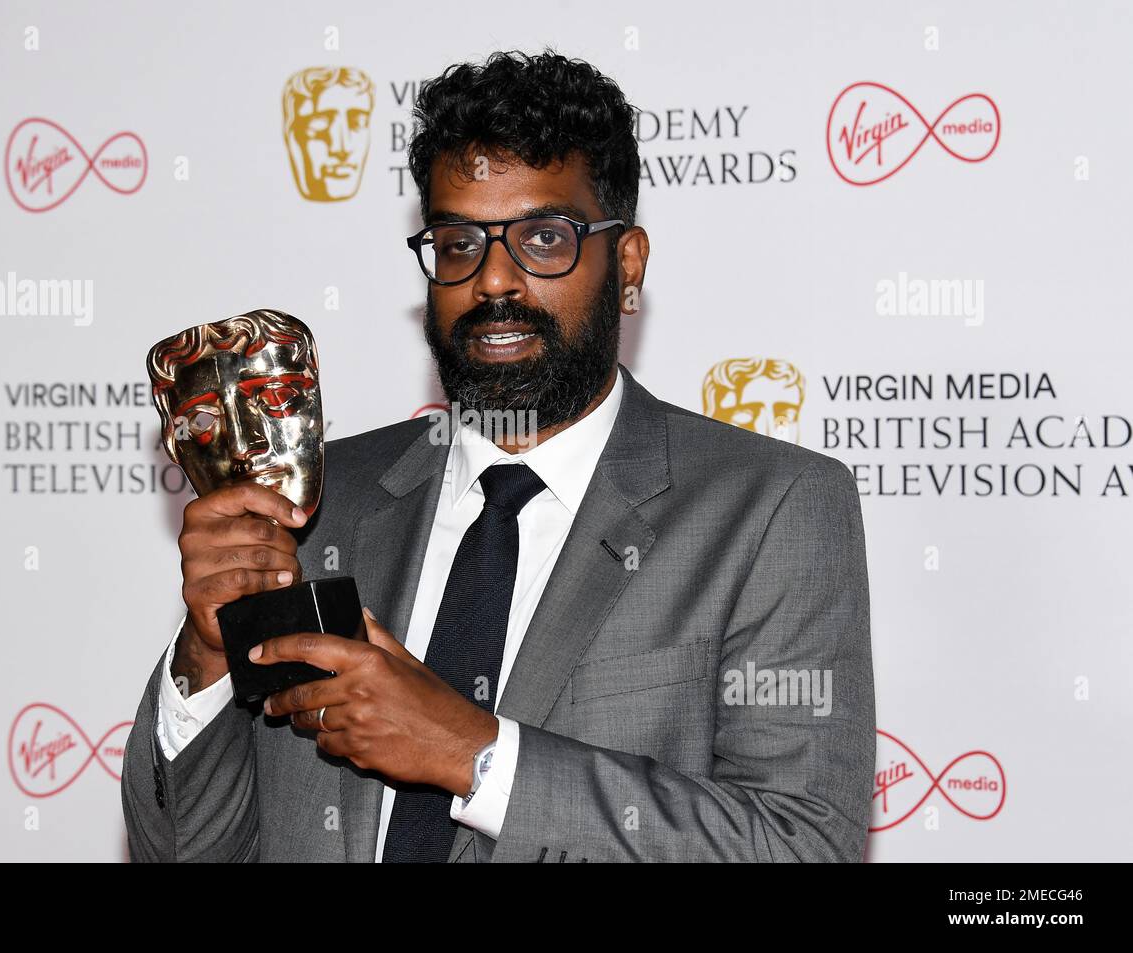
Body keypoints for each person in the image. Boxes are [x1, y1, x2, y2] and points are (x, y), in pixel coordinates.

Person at [122, 48, 875, 862]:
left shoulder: (770, 509)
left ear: (627, 264)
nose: (493, 281)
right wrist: (205, 655)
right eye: (457, 242)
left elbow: (802, 845)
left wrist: (474, 754)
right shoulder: (314, 507)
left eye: (544, 237)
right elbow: (182, 851)